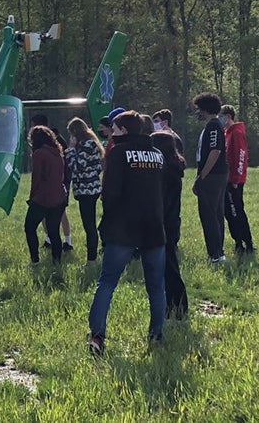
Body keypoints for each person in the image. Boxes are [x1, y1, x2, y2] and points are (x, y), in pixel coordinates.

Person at [87, 111, 166, 356]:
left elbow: (110, 192)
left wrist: (107, 221)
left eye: (115, 128)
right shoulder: (157, 154)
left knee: (107, 283)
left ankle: (97, 337)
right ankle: (156, 335)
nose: (111, 132)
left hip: (123, 228)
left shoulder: (119, 153)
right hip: (154, 226)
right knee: (155, 286)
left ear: (123, 130)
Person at [152, 131, 188, 319]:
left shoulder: (165, 171)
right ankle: (174, 303)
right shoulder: (174, 167)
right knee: (168, 264)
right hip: (172, 221)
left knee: (169, 267)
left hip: (165, 221)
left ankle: (179, 303)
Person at [192, 93, 229, 263]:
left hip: (213, 176)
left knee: (209, 215)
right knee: (216, 213)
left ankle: (215, 253)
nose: (197, 112)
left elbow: (215, 151)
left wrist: (202, 176)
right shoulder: (213, 126)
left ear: (206, 109)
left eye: (199, 109)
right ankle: (217, 251)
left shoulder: (213, 126)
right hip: (217, 175)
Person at [24, 125, 68, 264]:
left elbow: (36, 178)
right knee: (54, 231)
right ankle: (57, 261)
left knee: (30, 227)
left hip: (43, 197)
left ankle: (35, 260)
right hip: (59, 195)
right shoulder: (58, 152)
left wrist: (32, 197)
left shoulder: (39, 154)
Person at [65, 117, 104, 264]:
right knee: (89, 224)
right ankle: (92, 256)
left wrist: (70, 150)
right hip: (89, 188)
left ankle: (91, 259)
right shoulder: (91, 144)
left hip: (87, 190)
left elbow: (77, 166)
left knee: (89, 225)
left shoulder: (87, 145)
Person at [32, 114, 72, 251]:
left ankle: (66, 241)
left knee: (59, 213)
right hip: (59, 182)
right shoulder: (51, 141)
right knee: (53, 214)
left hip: (59, 181)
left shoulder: (52, 141)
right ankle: (51, 240)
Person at [221, 104, 254, 254]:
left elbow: (240, 156)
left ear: (228, 116)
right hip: (226, 180)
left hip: (234, 181)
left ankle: (247, 243)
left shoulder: (236, 133)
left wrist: (236, 178)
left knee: (236, 211)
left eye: (221, 116)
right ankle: (238, 241)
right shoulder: (226, 133)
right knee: (229, 212)